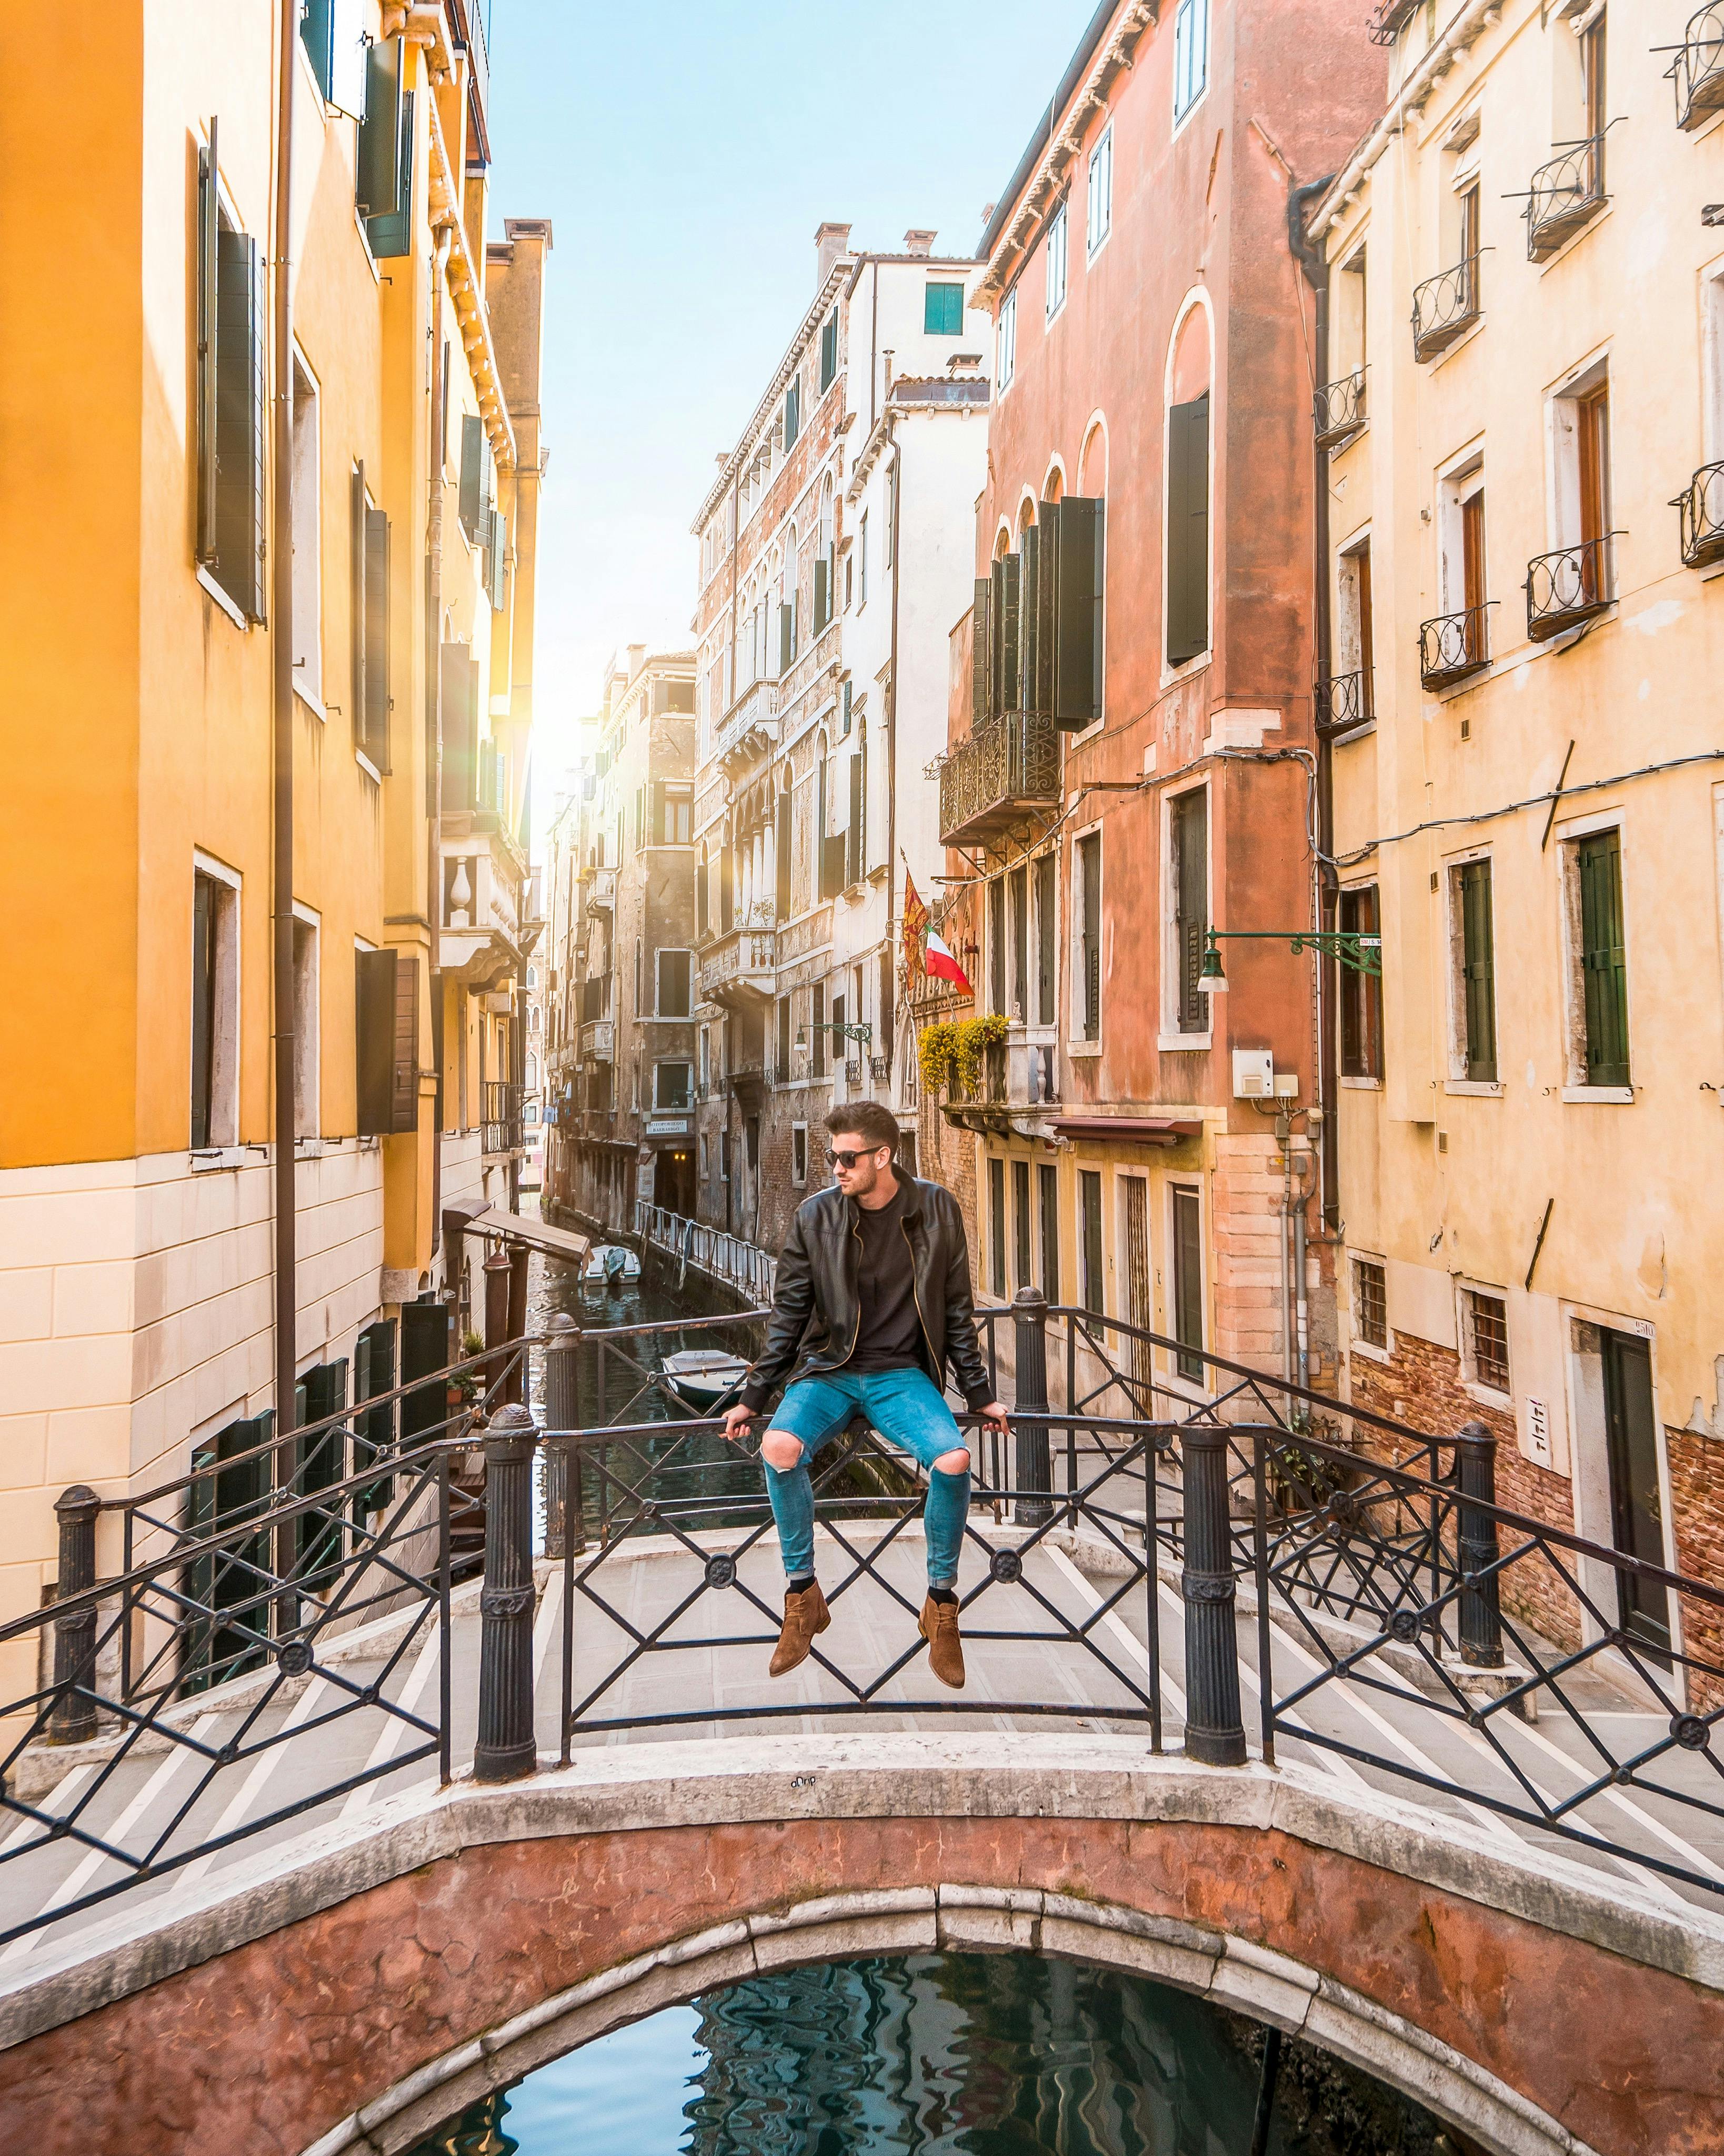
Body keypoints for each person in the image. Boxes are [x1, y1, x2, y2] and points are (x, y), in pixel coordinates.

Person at [722, 1101, 1010, 1689]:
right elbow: (788, 1317)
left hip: (901, 1375)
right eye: (832, 1157)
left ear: (884, 1156)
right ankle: (802, 1597)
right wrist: (754, 1396)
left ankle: (940, 1605)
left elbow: (957, 1311)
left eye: (848, 1158)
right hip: (827, 1370)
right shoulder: (814, 1218)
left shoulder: (937, 1209)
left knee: (954, 1461)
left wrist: (979, 1394)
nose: (836, 1168)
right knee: (778, 1448)